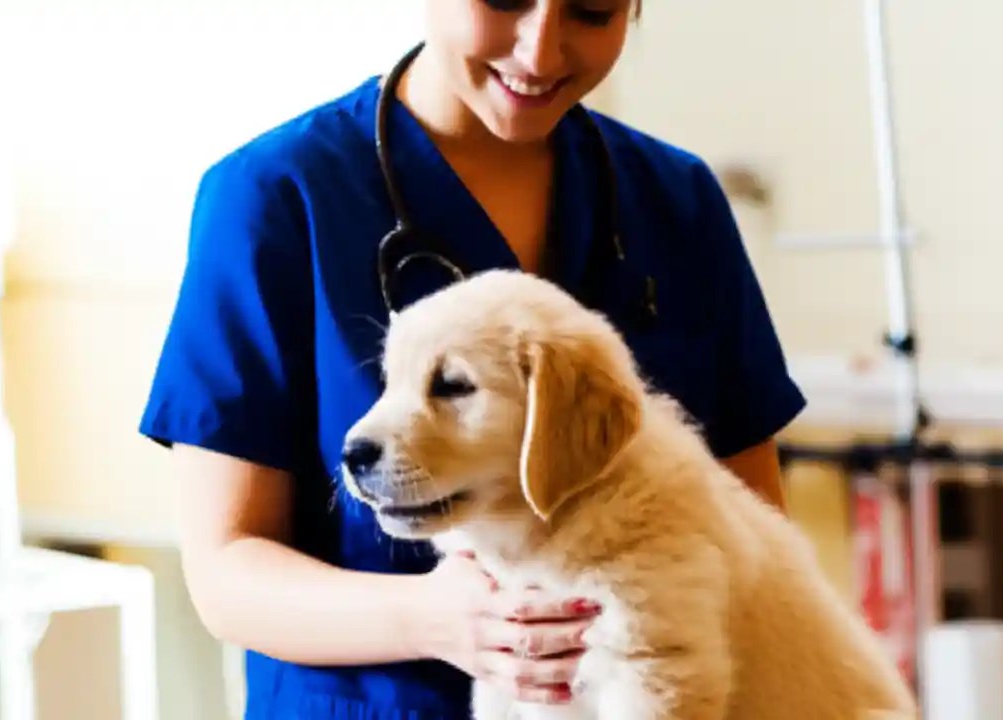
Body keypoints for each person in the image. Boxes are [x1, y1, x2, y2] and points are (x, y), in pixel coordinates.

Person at [138, 0, 807, 717]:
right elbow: (227, 571)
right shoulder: (278, 196)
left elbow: (755, 545)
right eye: (505, 1)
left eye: (591, 12)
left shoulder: (675, 203)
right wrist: (430, 617)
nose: (540, 52)